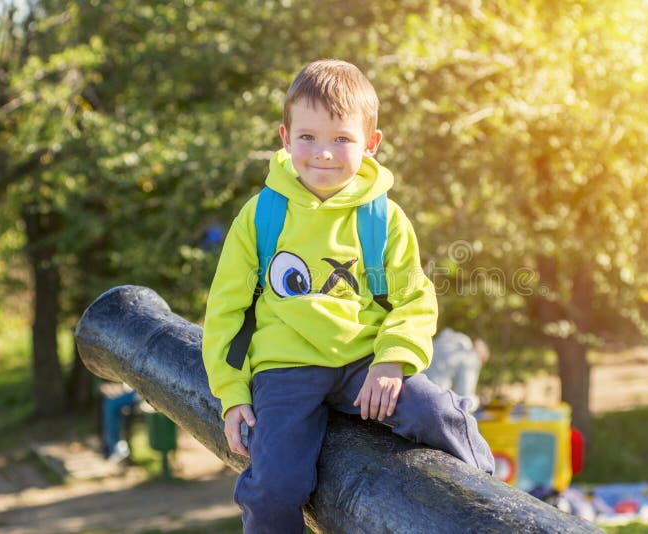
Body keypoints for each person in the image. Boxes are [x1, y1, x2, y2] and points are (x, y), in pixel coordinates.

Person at [202, 59, 494, 534]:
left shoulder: (384, 218)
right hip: (286, 368)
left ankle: (491, 509)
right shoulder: (261, 217)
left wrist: (392, 359)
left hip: (364, 361)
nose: (323, 154)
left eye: (342, 138)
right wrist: (232, 394)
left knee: (440, 413)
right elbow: (226, 313)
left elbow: (414, 299)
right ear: (285, 137)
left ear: (371, 144)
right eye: (308, 138)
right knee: (273, 485)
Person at [425, 328, 490, 410]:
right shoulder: (470, 358)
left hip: (411, 395)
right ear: (481, 356)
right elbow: (464, 399)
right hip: (434, 404)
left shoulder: (440, 342)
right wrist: (477, 401)